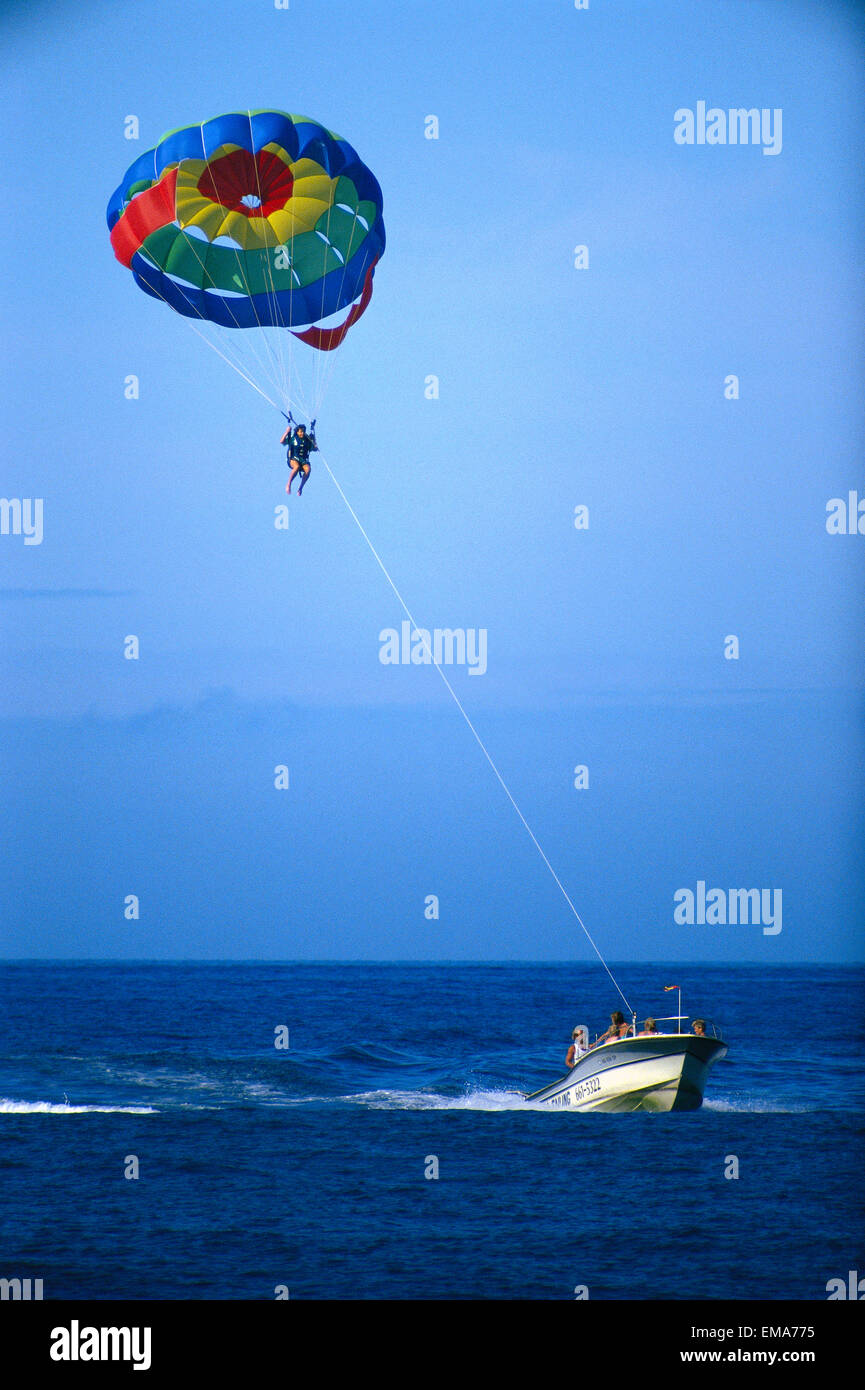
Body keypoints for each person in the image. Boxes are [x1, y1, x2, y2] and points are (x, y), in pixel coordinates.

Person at [281, 419, 318, 495]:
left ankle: (300, 488)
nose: (302, 433)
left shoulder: (307, 440)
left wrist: (313, 439)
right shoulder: (292, 438)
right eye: (301, 431)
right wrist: (287, 432)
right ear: (297, 432)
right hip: (293, 458)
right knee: (296, 467)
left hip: (303, 460)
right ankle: (288, 484)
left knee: (308, 469)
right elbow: (282, 441)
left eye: (303, 431)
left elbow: (315, 448)